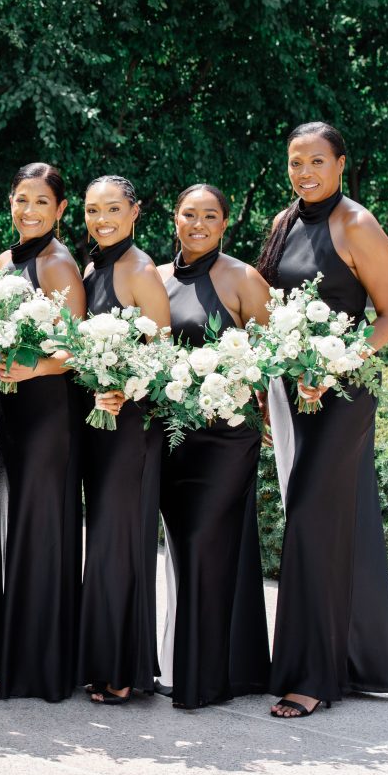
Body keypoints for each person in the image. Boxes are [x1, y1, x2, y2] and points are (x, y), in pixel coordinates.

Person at [256, 122, 388, 718]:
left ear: (341, 164)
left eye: (317, 161)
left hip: (343, 394)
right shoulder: (283, 223)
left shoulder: (357, 225)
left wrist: (341, 363)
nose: (305, 172)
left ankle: (314, 676)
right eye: (296, 162)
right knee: (337, 521)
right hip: (294, 390)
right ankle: (358, 660)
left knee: (314, 520)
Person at [154, 183, 272, 709]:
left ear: (225, 223)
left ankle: (201, 680)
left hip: (226, 441)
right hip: (170, 438)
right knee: (184, 548)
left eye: (209, 216)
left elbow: (275, 359)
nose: (197, 224)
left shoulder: (244, 278)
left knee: (205, 542)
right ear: (173, 218)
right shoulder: (154, 278)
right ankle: (209, 664)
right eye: (188, 214)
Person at [0, 163, 86, 701]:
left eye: (41, 202)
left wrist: (33, 369)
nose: (28, 211)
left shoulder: (57, 265)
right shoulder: (7, 260)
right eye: (21, 199)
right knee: (15, 529)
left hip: (49, 412)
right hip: (12, 409)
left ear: (60, 209)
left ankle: (43, 667)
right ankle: (15, 653)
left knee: (41, 528)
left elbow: (77, 350)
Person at [76, 174, 170, 704]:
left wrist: (123, 390)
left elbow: (161, 357)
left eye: (113, 208)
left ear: (135, 211)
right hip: (97, 424)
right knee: (104, 542)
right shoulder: (93, 266)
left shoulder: (140, 271)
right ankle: (101, 659)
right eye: (93, 210)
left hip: (131, 426)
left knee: (121, 542)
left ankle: (126, 669)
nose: (102, 218)